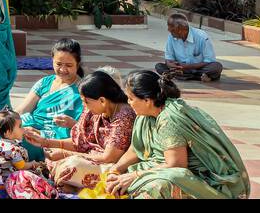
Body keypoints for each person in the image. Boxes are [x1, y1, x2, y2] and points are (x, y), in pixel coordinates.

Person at [104, 70, 249, 199]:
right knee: (107, 175)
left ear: (147, 100)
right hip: (161, 168)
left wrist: (134, 176)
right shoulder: (145, 116)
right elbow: (135, 149)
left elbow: (176, 166)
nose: (129, 103)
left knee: (157, 187)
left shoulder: (169, 119)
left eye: (131, 98)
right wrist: (115, 170)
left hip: (198, 178)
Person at [31, 70, 135, 190]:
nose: (84, 105)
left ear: (102, 100)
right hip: (90, 157)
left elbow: (108, 157)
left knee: (71, 166)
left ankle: (71, 187)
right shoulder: (94, 111)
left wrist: (66, 154)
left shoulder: (124, 116)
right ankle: (70, 186)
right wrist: (46, 142)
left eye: (86, 102)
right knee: (53, 159)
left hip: (112, 166)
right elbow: (80, 142)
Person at [6, 37, 84, 159]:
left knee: (21, 141)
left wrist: (72, 124)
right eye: (58, 64)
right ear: (52, 60)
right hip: (30, 128)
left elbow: (88, 128)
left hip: (55, 139)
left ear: (78, 64)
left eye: (69, 65)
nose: (63, 69)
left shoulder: (84, 90)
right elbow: (21, 111)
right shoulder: (44, 83)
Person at [157, 12, 223, 82]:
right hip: (180, 68)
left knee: (216, 67)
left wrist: (187, 67)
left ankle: (183, 76)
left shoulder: (202, 36)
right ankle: (200, 77)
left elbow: (209, 60)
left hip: (199, 68)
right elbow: (169, 58)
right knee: (159, 66)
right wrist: (169, 64)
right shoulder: (171, 37)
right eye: (169, 28)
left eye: (172, 30)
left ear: (182, 30)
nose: (169, 31)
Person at [0, 107, 35, 181]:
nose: (23, 129)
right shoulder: (12, 149)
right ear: (8, 133)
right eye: (20, 126)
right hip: (13, 181)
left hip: (4, 179)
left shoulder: (1, 143)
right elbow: (21, 166)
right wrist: (33, 163)